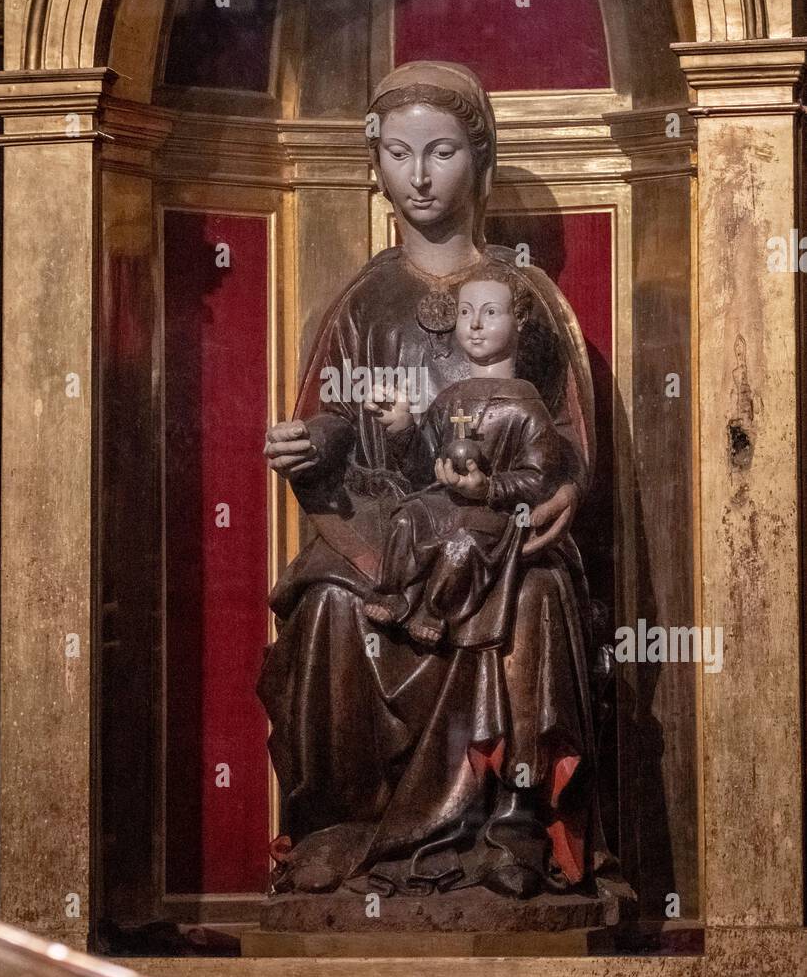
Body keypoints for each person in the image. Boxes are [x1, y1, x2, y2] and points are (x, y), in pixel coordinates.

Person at [259, 60, 614, 899]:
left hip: (505, 534)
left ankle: (512, 825)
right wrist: (312, 441)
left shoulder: (524, 298)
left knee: (529, 603)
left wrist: (565, 488)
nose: (418, 175)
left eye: (443, 151)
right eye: (399, 153)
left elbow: (568, 436)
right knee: (330, 608)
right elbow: (337, 413)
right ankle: (348, 824)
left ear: (478, 158)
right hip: (390, 527)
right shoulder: (361, 301)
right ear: (374, 166)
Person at [365, 268, 564, 649]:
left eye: (490, 312)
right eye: (465, 312)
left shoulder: (527, 404)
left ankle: (437, 610)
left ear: (519, 319)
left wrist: (488, 487)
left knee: (464, 542)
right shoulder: (451, 398)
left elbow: (540, 479)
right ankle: (396, 594)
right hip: (446, 501)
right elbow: (424, 467)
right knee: (407, 518)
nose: (474, 324)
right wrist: (404, 426)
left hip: (497, 513)